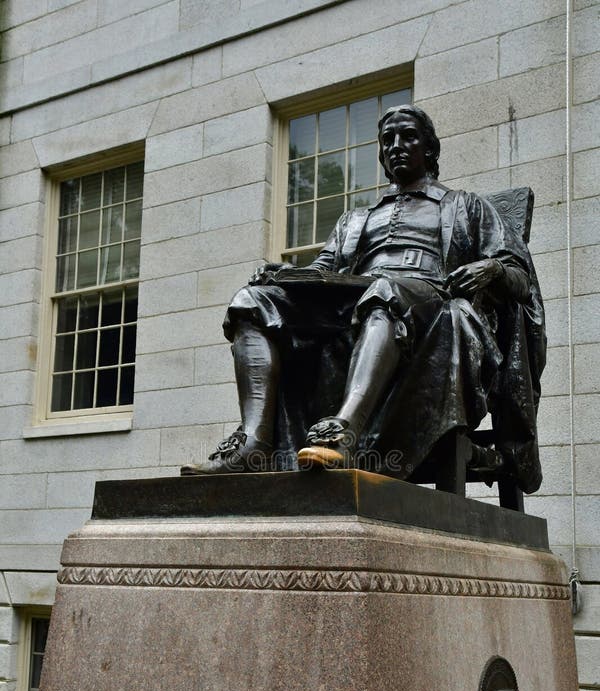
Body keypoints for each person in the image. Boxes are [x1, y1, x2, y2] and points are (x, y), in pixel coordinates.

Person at [182, 104, 545, 492]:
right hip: (354, 300)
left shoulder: (466, 205)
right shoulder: (355, 219)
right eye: (387, 140)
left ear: (431, 150)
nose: (396, 146)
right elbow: (323, 272)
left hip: (432, 302)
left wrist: (492, 270)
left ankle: (344, 432)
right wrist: (282, 275)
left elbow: (520, 276)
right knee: (253, 301)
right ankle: (253, 445)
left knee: (385, 290)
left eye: (408, 136)